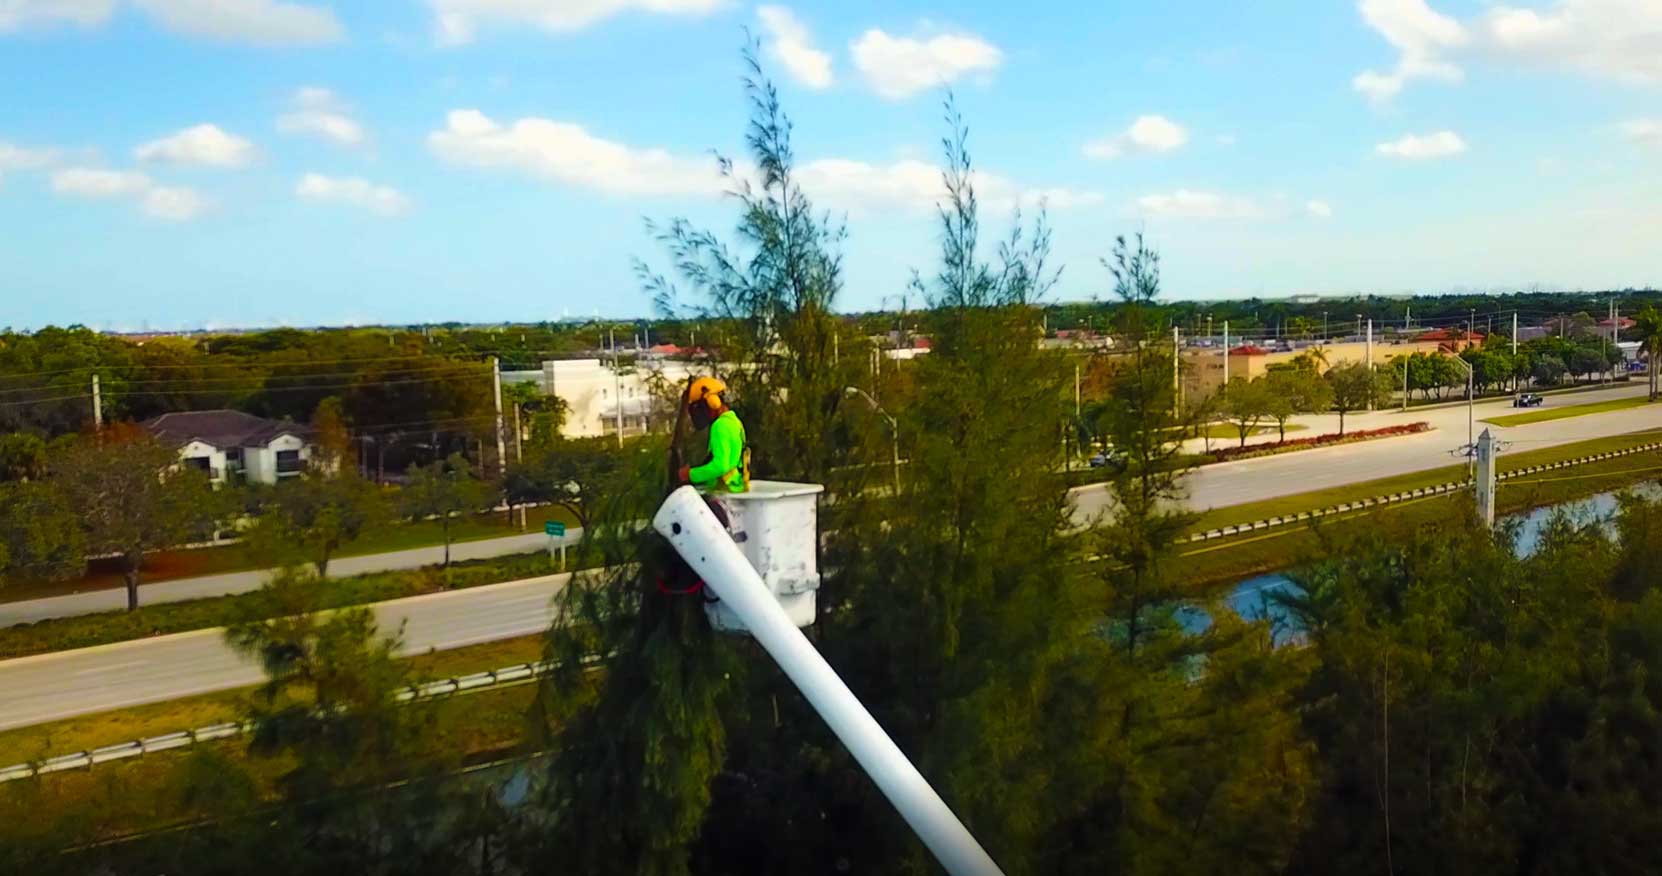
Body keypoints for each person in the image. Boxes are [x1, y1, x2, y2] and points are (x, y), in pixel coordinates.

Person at [677, 376, 748, 493]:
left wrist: (690, 474)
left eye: (700, 407)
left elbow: (721, 465)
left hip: (724, 490)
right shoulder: (733, 421)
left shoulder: (720, 426)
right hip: (735, 486)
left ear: (712, 402)